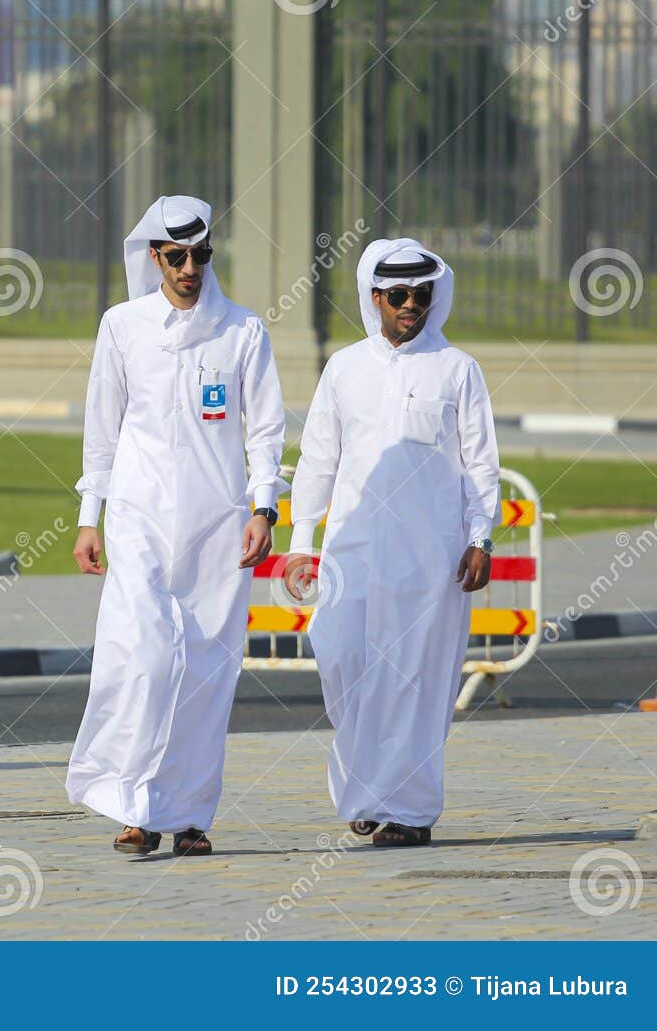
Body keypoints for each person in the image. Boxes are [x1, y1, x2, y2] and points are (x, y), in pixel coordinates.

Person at [66, 195, 286, 857]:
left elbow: (266, 430)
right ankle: (134, 806)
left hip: (218, 529)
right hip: (137, 520)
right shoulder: (123, 326)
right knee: (148, 659)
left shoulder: (243, 331)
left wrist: (263, 508)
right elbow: (101, 433)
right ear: (153, 257)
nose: (190, 267)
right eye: (176, 256)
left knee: (207, 672)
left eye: (200, 255)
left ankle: (188, 814)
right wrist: (88, 519)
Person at [284, 238, 499, 848]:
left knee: (416, 680)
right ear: (374, 296)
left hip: (431, 558)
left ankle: (408, 810)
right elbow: (319, 458)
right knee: (342, 658)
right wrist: (303, 541)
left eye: (423, 294)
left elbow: (481, 463)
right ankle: (365, 786)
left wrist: (481, 537)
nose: (413, 306)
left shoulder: (458, 369)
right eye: (400, 295)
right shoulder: (344, 368)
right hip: (351, 552)